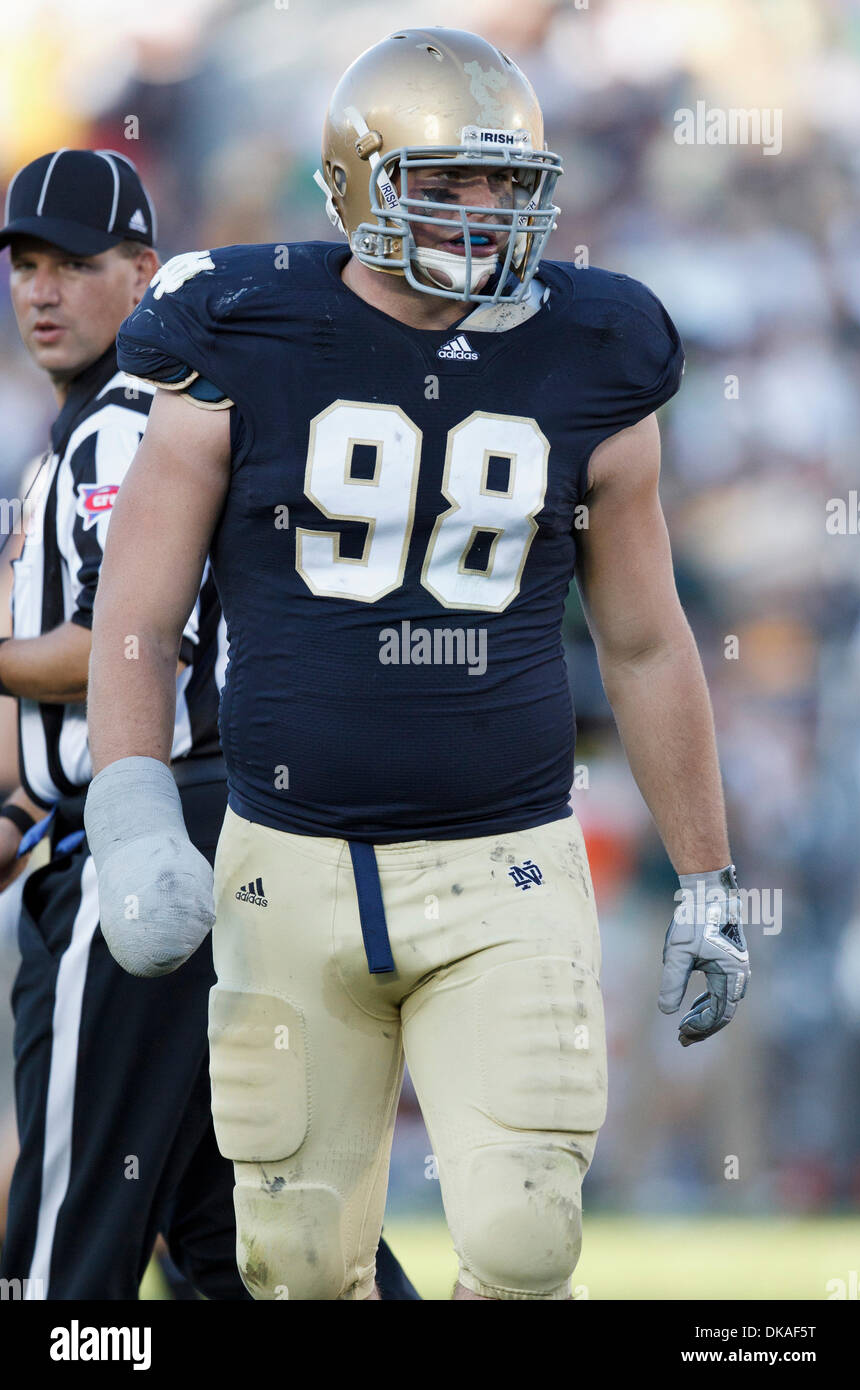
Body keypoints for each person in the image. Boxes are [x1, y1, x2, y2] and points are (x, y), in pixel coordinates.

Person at [85, 28, 750, 1301]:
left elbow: (647, 635)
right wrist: (130, 810)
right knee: (292, 1263)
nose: (484, 214)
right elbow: (141, 604)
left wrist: (709, 874)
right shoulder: (240, 323)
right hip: (288, 863)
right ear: (353, 179)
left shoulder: (593, 346)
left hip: (503, 861)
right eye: (446, 182)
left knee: (522, 1240)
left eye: (507, 185)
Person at [0, 148, 416, 1301]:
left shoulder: (125, 426)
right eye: (25, 264)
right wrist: (25, 801)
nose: (40, 290)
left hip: (146, 834)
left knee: (73, 1210)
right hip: (173, 826)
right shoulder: (99, 424)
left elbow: (128, 645)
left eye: (74, 266)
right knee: (233, 1215)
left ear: (140, 275)